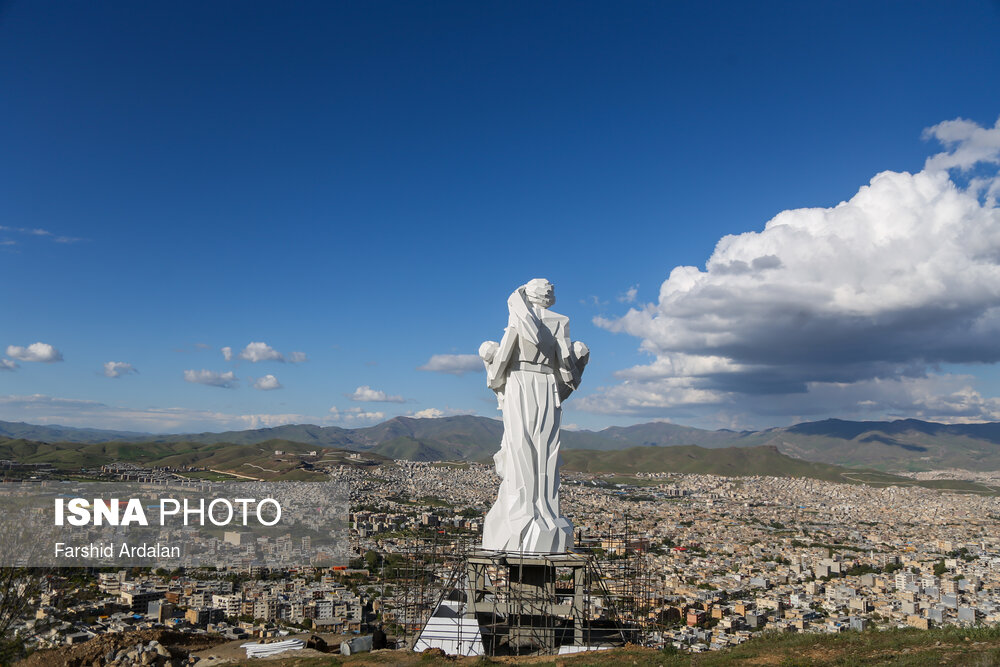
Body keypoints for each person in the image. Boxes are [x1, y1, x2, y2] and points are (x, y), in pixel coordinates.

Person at [479, 279, 589, 553]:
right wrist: (577, 365)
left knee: (521, 446)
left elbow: (503, 358)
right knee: (546, 448)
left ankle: (523, 512)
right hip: (547, 385)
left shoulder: (518, 319)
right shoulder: (560, 321)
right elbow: (565, 360)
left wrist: (490, 370)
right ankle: (544, 511)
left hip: (519, 382)